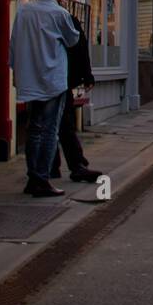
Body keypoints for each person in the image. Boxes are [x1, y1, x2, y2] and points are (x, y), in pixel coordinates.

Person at [9, 0, 81, 197]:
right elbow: (73, 39)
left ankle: (33, 176)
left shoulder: (23, 12)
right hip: (53, 80)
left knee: (33, 129)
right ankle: (41, 177)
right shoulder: (59, 14)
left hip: (29, 77)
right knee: (50, 130)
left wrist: (15, 70)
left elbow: (14, 43)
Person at [50, 12, 104, 184]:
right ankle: (76, 165)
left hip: (38, 82)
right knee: (64, 125)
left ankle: (48, 167)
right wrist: (86, 75)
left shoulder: (26, 15)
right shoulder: (64, 17)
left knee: (41, 128)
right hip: (59, 80)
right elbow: (79, 46)